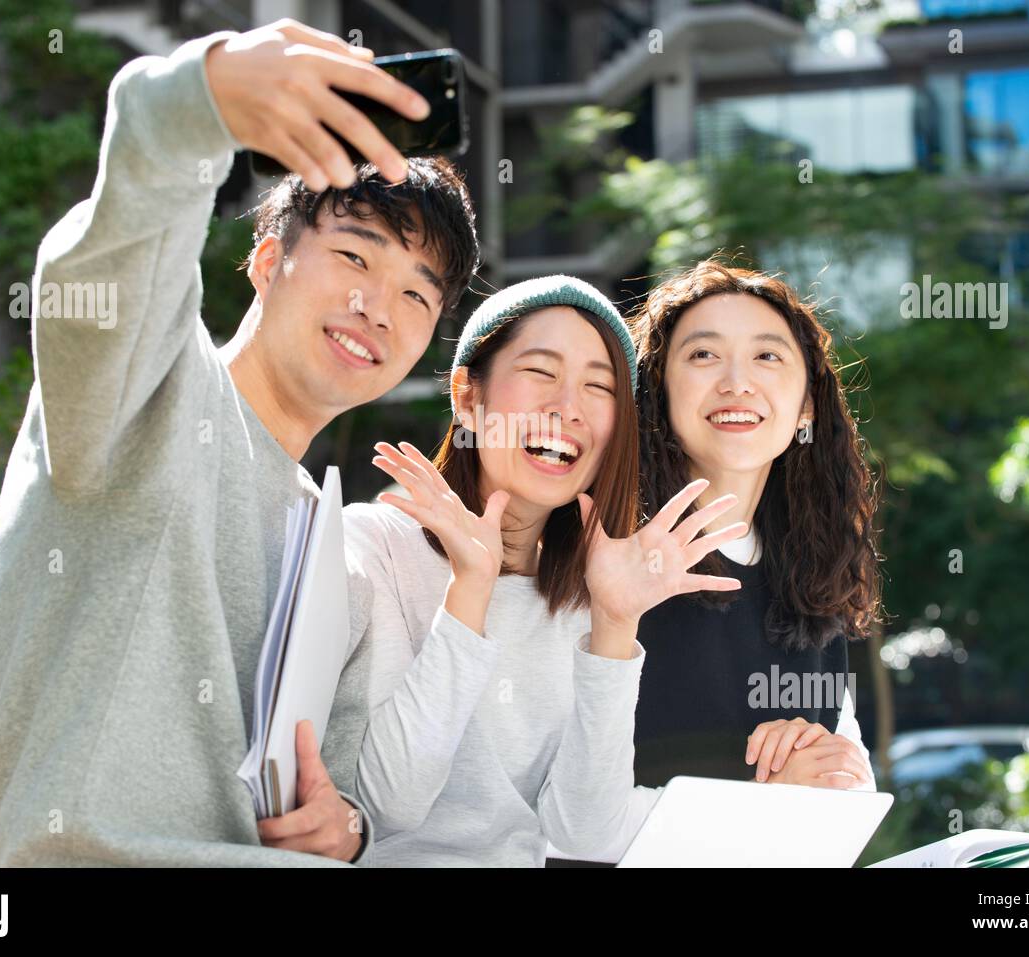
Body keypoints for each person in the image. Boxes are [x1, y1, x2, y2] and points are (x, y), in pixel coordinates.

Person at [0, 19, 479, 866]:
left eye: (417, 297)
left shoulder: (333, 551)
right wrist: (198, 102)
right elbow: (110, 257)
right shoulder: (152, 383)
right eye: (354, 255)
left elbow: (334, 792)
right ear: (267, 260)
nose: (378, 307)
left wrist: (345, 827)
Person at [319, 276, 747, 866]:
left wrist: (614, 623)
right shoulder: (375, 547)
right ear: (469, 397)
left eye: (599, 387)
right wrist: (470, 592)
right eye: (541, 373)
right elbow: (386, 807)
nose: (568, 408)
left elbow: (586, 832)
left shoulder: (581, 592)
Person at [629, 260, 883, 794]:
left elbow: (848, 778)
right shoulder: (615, 552)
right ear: (658, 391)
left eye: (767, 356)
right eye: (703, 355)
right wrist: (767, 794)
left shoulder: (816, 571)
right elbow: (567, 810)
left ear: (807, 405)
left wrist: (820, 762)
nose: (737, 383)